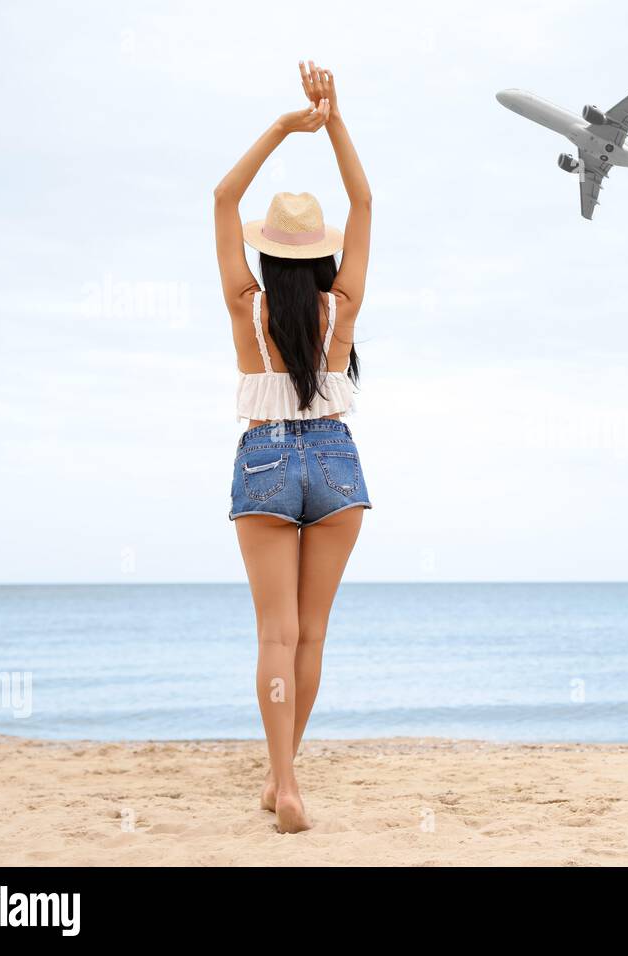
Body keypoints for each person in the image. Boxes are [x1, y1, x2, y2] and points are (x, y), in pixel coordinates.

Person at [213, 61, 373, 833]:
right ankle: (286, 781)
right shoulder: (341, 305)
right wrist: (333, 117)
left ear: (269, 254)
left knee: (274, 635)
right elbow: (366, 200)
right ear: (319, 253)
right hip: (337, 460)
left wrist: (285, 125)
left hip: (267, 457)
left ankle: (286, 783)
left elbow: (222, 197)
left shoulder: (248, 308)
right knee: (310, 636)